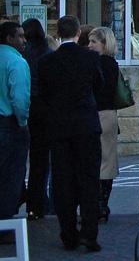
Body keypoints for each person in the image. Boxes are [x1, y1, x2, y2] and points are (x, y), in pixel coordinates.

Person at [36, 15, 103, 252]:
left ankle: (68, 233)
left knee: (63, 181)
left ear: (58, 34)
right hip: (86, 125)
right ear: (78, 34)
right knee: (89, 179)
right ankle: (89, 233)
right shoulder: (91, 58)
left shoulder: (47, 62)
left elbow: (41, 96)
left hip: (59, 126)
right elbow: (99, 86)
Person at [0, 21, 30, 242]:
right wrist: (22, 122)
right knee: (11, 176)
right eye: (20, 36)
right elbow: (19, 99)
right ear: (9, 39)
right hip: (8, 123)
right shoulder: (16, 62)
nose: (24, 40)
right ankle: (5, 224)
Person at [87, 27, 120, 222]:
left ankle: (97, 203)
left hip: (98, 113)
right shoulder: (112, 64)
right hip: (108, 113)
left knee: (99, 161)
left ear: (104, 43)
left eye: (94, 42)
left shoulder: (97, 63)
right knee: (107, 161)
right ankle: (101, 203)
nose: (89, 45)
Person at [21, 18, 52, 221]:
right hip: (43, 110)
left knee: (18, 159)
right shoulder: (47, 54)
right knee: (41, 160)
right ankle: (37, 204)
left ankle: (21, 196)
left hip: (25, 108)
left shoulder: (22, 55)